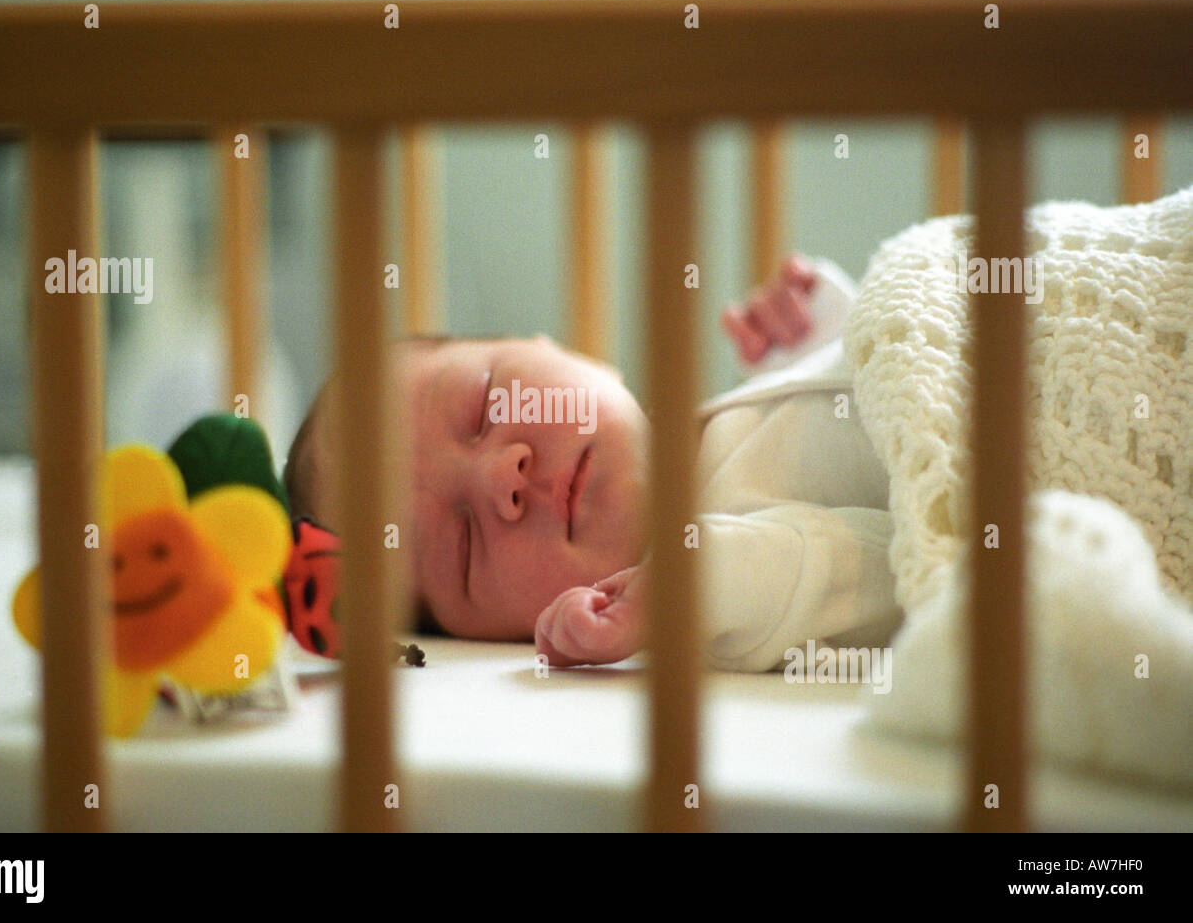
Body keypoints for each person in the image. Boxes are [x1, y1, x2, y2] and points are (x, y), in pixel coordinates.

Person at [284, 256, 902, 672]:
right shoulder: (733, 594)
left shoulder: (749, 395)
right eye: (463, 545)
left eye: (482, 408)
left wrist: (822, 320)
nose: (504, 480)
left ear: (548, 347)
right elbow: (896, 570)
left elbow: (902, 362)